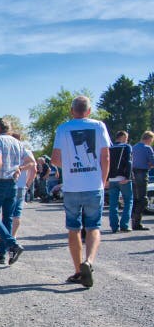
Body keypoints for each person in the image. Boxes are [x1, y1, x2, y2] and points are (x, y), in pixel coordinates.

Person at [51, 95, 111, 288]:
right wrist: (102, 180)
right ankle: (89, 261)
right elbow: (106, 156)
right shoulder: (99, 126)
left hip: (72, 186)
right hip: (94, 184)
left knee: (73, 228)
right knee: (93, 226)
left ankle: (78, 270)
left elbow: (55, 159)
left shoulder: (63, 128)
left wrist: (69, 166)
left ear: (72, 111)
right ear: (89, 110)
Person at [0, 117, 25, 265]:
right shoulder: (17, 142)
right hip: (12, 184)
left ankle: (12, 244)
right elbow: (22, 164)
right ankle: (1, 254)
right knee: (7, 218)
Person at [106, 130, 133, 233]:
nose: (127, 140)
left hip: (111, 179)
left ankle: (114, 226)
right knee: (128, 201)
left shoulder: (109, 148)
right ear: (122, 137)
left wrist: (106, 179)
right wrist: (128, 176)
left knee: (113, 203)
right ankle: (124, 225)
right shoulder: (126, 147)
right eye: (126, 137)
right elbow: (129, 162)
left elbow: (105, 162)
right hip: (123, 178)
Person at [10, 132, 37, 236]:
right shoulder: (26, 152)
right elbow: (34, 170)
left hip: (8, 184)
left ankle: (5, 235)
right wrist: (28, 183)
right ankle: (13, 236)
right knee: (17, 213)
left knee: (7, 212)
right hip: (21, 185)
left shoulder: (7, 152)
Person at [130, 130, 154, 230]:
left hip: (132, 174)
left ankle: (133, 221)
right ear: (149, 138)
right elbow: (152, 162)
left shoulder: (133, 147)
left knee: (135, 199)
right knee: (143, 199)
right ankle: (137, 222)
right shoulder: (148, 148)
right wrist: (149, 166)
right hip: (142, 173)